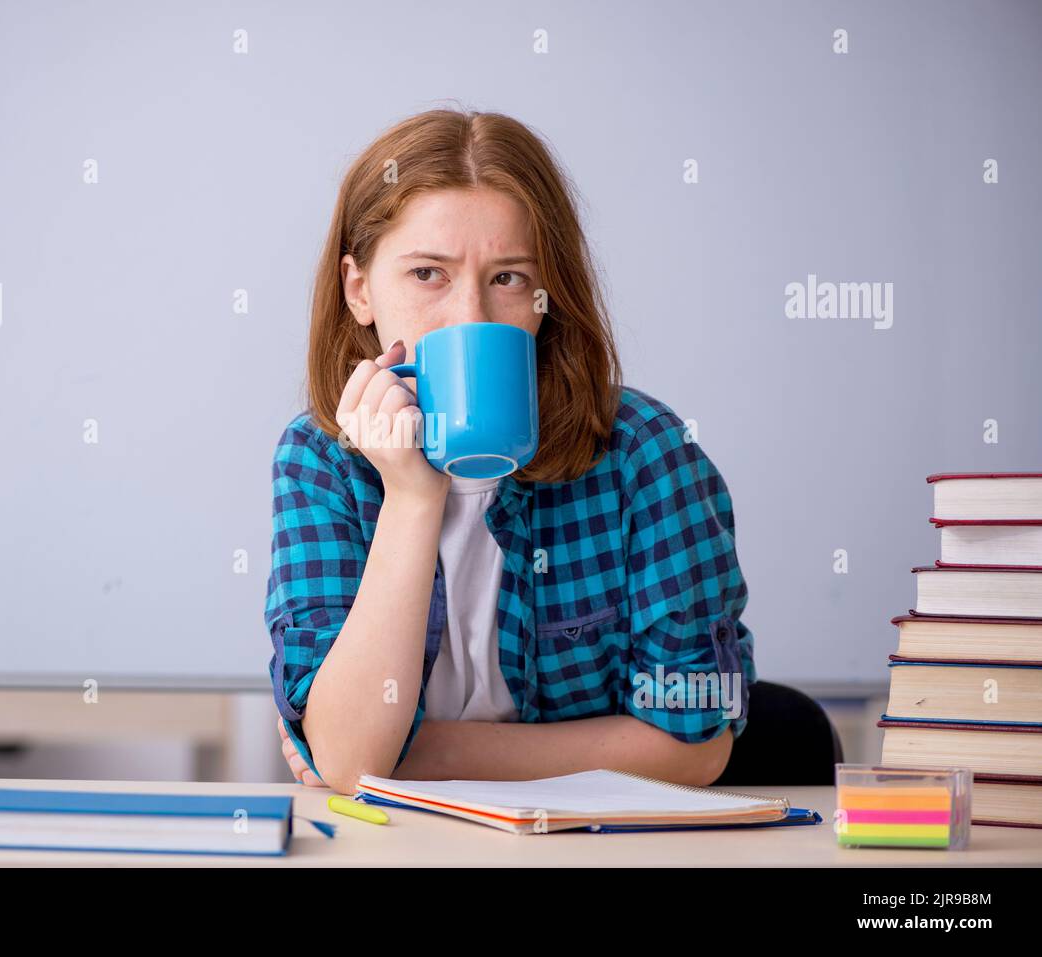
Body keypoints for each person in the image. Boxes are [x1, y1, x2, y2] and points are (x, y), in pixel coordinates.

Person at [265, 106, 756, 795]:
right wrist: (411, 497)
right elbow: (352, 757)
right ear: (360, 289)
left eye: (508, 278)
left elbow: (694, 744)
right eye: (428, 273)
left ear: (544, 300)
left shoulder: (647, 453)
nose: (470, 316)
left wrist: (418, 752)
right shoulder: (320, 462)